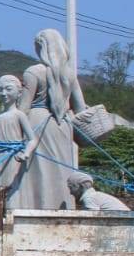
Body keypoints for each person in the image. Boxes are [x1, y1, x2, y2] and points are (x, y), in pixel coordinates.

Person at [16, 29, 86, 208]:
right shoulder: (69, 74)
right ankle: (63, 207)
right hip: (62, 126)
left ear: (41, 47)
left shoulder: (33, 72)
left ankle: (37, 207)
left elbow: (23, 108)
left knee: (38, 171)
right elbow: (81, 108)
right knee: (62, 170)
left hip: (36, 124)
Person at [0, 75, 50, 209]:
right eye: (0, 90)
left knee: (11, 190)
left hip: (13, 158)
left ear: (19, 92)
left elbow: (32, 139)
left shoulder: (19, 115)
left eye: (8, 89)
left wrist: (25, 153)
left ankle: (10, 215)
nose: (3, 93)